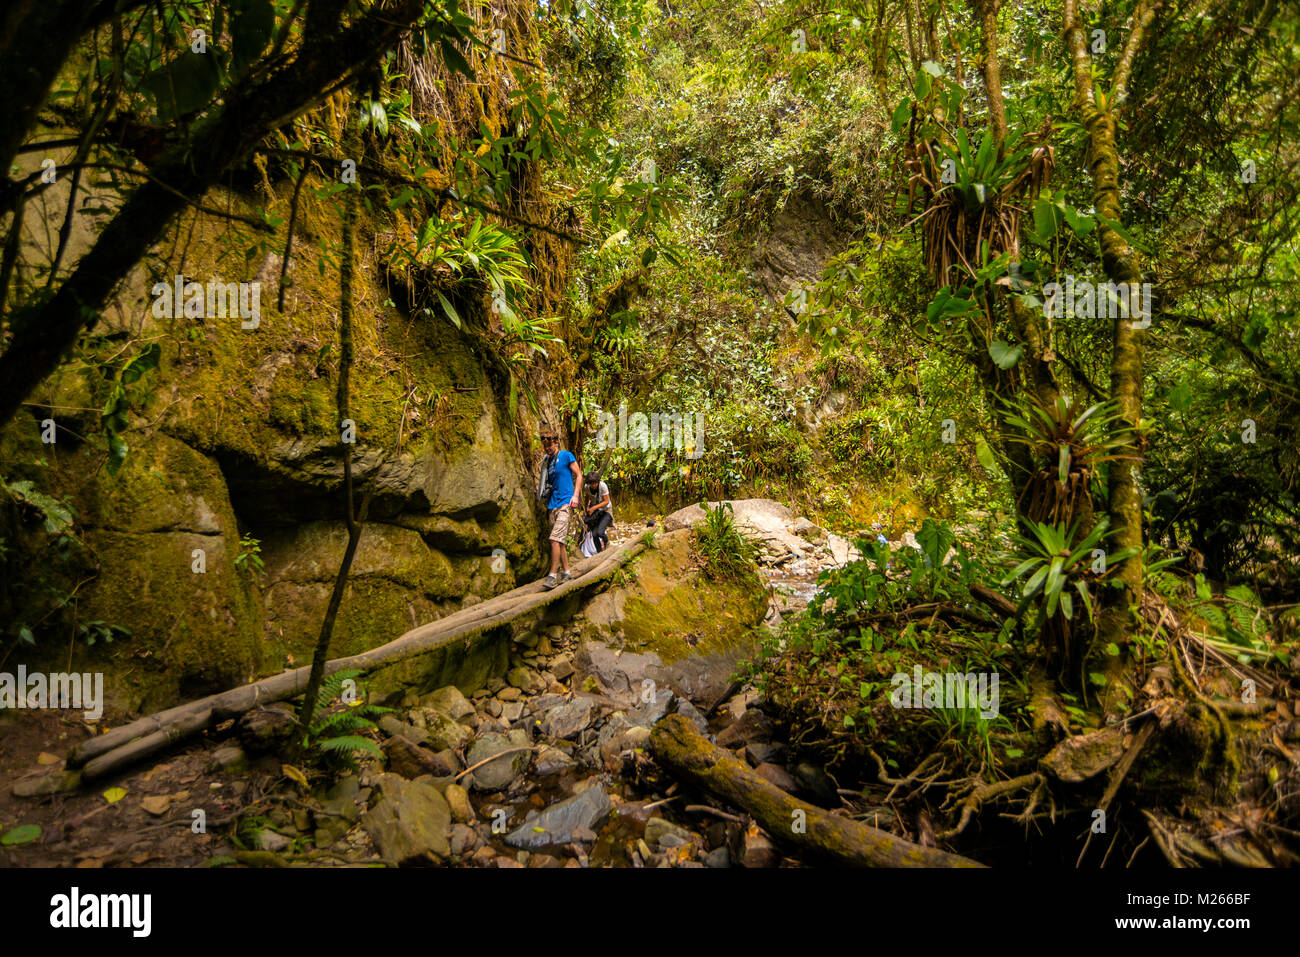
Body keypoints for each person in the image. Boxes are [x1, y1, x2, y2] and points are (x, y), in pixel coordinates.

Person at [537, 429, 581, 589]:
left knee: (554, 539)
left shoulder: (566, 455)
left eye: (550, 445)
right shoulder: (547, 462)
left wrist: (575, 496)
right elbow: (549, 483)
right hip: (553, 505)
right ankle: (567, 572)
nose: (547, 449)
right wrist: (540, 491)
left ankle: (552, 575)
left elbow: (579, 475)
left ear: (556, 442)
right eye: (545, 446)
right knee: (560, 541)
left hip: (565, 503)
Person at [582, 473, 614, 552]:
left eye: (595, 483)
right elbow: (587, 496)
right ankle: (599, 552)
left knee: (600, 532)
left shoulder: (603, 486)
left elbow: (606, 501)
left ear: (598, 482)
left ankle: (607, 542)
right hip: (596, 512)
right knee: (594, 535)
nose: (593, 485)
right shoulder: (586, 487)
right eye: (591, 484)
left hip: (606, 510)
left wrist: (593, 508)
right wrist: (586, 507)